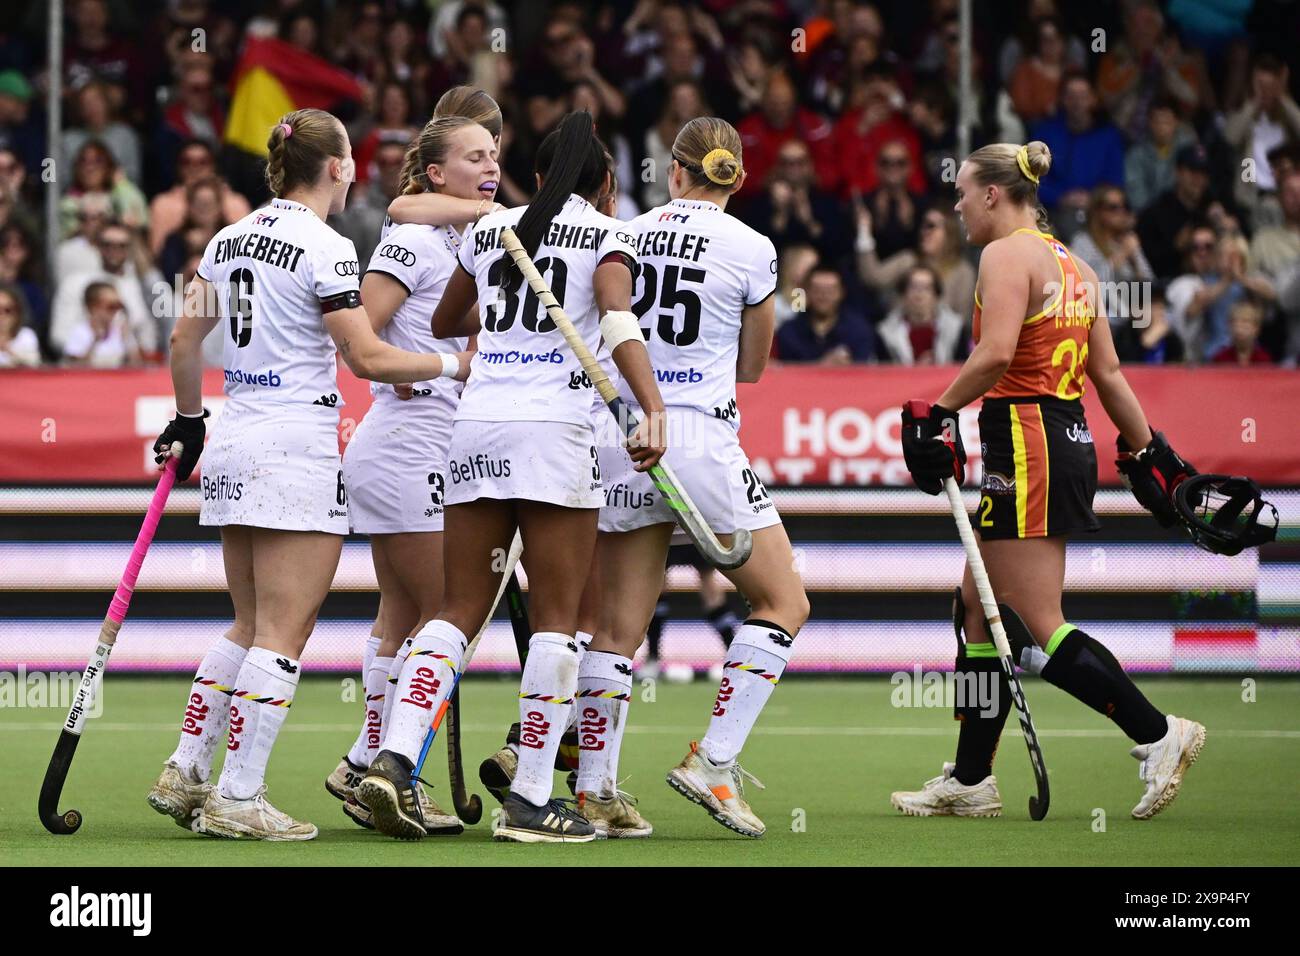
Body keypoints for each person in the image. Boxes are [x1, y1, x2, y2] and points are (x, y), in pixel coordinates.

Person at [144, 108, 469, 841]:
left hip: (232, 438)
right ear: (337, 167)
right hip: (294, 446)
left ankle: (186, 770)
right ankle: (238, 796)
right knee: (284, 632)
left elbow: (182, 337)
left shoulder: (226, 239)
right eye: (352, 157)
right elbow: (367, 358)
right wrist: (458, 364)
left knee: (248, 623)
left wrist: (190, 420)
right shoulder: (327, 247)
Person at [357, 110, 666, 844]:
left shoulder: (494, 228)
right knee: (559, 618)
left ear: (535, 174)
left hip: (477, 424)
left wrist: (507, 328)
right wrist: (649, 407)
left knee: (459, 604)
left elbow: (442, 321)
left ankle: (394, 757)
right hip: (555, 432)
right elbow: (619, 322)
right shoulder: (609, 235)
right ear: (607, 181)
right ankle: (529, 798)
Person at [892, 140, 1205, 821]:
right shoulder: (1075, 263)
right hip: (1060, 438)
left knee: (1036, 621)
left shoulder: (1004, 255)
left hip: (1028, 441)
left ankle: (1159, 733)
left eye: (964, 192)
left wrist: (936, 411)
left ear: (995, 196)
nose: (957, 204)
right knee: (978, 609)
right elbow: (1110, 376)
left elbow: (996, 353)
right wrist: (1150, 451)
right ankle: (972, 780)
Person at [580, 116, 810, 839]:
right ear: (736, 178)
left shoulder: (622, 231)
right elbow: (752, 365)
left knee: (616, 630)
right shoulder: (754, 247)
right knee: (782, 601)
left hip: (621, 435)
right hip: (698, 436)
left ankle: (594, 793)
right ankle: (713, 758)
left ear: (673, 172)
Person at [326, 114, 494, 836]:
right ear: (436, 172)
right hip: (410, 443)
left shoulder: (465, 235)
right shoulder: (414, 239)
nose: (491, 166)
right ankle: (393, 772)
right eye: (475, 155)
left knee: (403, 615)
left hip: (421, 445)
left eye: (496, 154)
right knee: (447, 613)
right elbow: (367, 321)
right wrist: (413, 367)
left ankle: (368, 760)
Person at [775, 266, 874, 363]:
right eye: (817, 290)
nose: (823, 296)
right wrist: (822, 366)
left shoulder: (858, 330)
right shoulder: (789, 332)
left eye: (830, 291)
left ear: (841, 293)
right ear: (806, 292)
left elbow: (863, 370)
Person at [876, 265, 966, 365]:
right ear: (903, 293)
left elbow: (962, 368)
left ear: (936, 295)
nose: (919, 294)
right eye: (913, 287)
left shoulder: (956, 329)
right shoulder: (886, 332)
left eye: (926, 288)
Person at [60, 279, 141, 368]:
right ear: (93, 307)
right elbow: (74, 367)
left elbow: (136, 365)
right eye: (111, 306)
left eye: (119, 305)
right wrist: (94, 343)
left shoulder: (121, 331)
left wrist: (127, 339)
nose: (116, 311)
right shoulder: (80, 332)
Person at [1209, 298, 1273, 365]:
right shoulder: (1220, 358)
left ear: (1256, 328)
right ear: (1229, 327)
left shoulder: (1264, 360)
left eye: (1245, 322)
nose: (1239, 327)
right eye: (1235, 322)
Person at [0, 281, 41, 367]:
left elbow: (35, 363)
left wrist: (8, 350)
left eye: (8, 310)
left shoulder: (26, 335)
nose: (2, 316)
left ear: (17, 313)